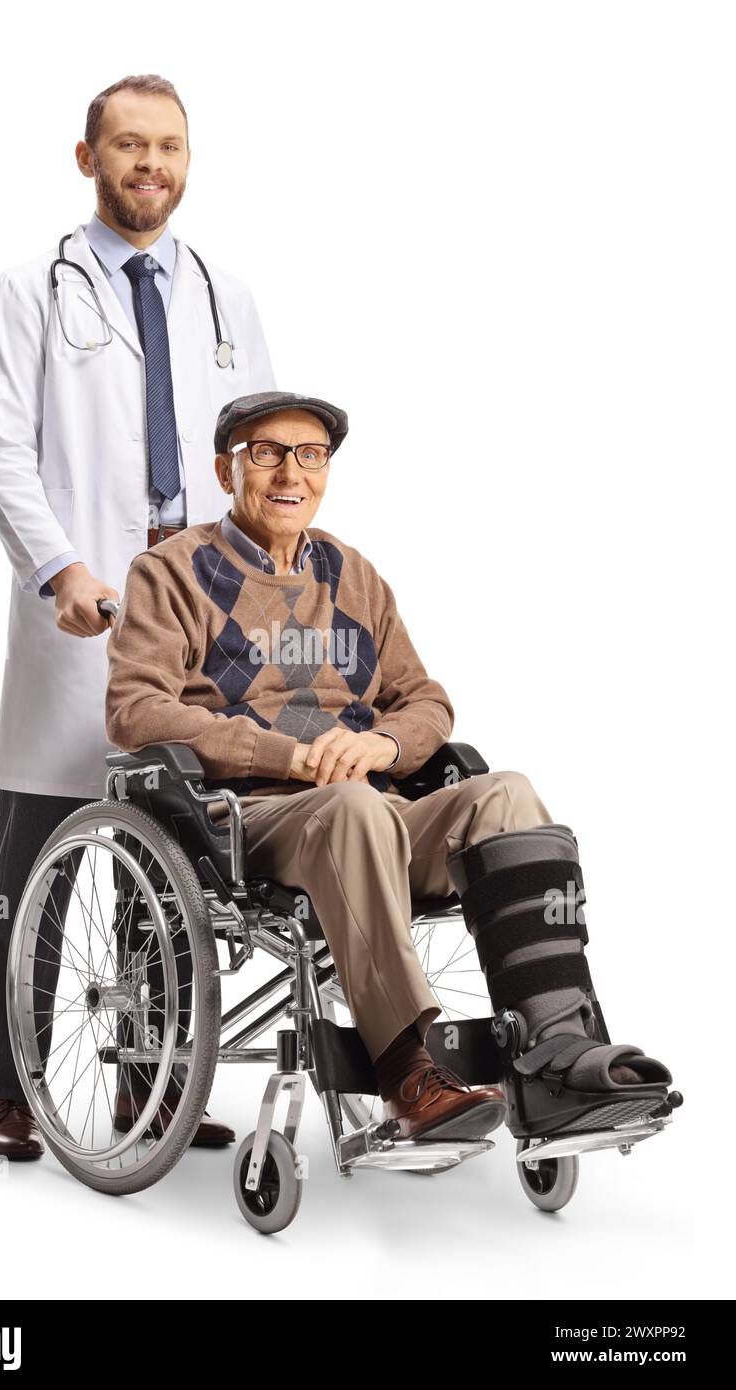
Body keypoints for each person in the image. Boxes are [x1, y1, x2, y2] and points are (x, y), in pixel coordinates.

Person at [104, 390, 673, 1142]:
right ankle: (406, 1069)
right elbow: (137, 709)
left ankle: (556, 1052)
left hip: (372, 807)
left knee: (507, 795)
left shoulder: (352, 574)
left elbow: (426, 701)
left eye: (311, 456)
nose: (291, 472)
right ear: (224, 468)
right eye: (267, 452)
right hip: (249, 819)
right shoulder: (171, 573)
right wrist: (287, 753)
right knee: (354, 809)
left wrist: (384, 746)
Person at [0, 74, 274, 1159]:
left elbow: (258, 452)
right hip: (84, 605)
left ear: (187, 161)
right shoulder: (29, 291)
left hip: (194, 614)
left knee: (179, 863)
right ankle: (11, 1088)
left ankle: (154, 1087)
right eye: (130, 146)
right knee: (38, 863)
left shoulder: (222, 296)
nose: (151, 165)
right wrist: (58, 569)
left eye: (169, 148)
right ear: (87, 157)